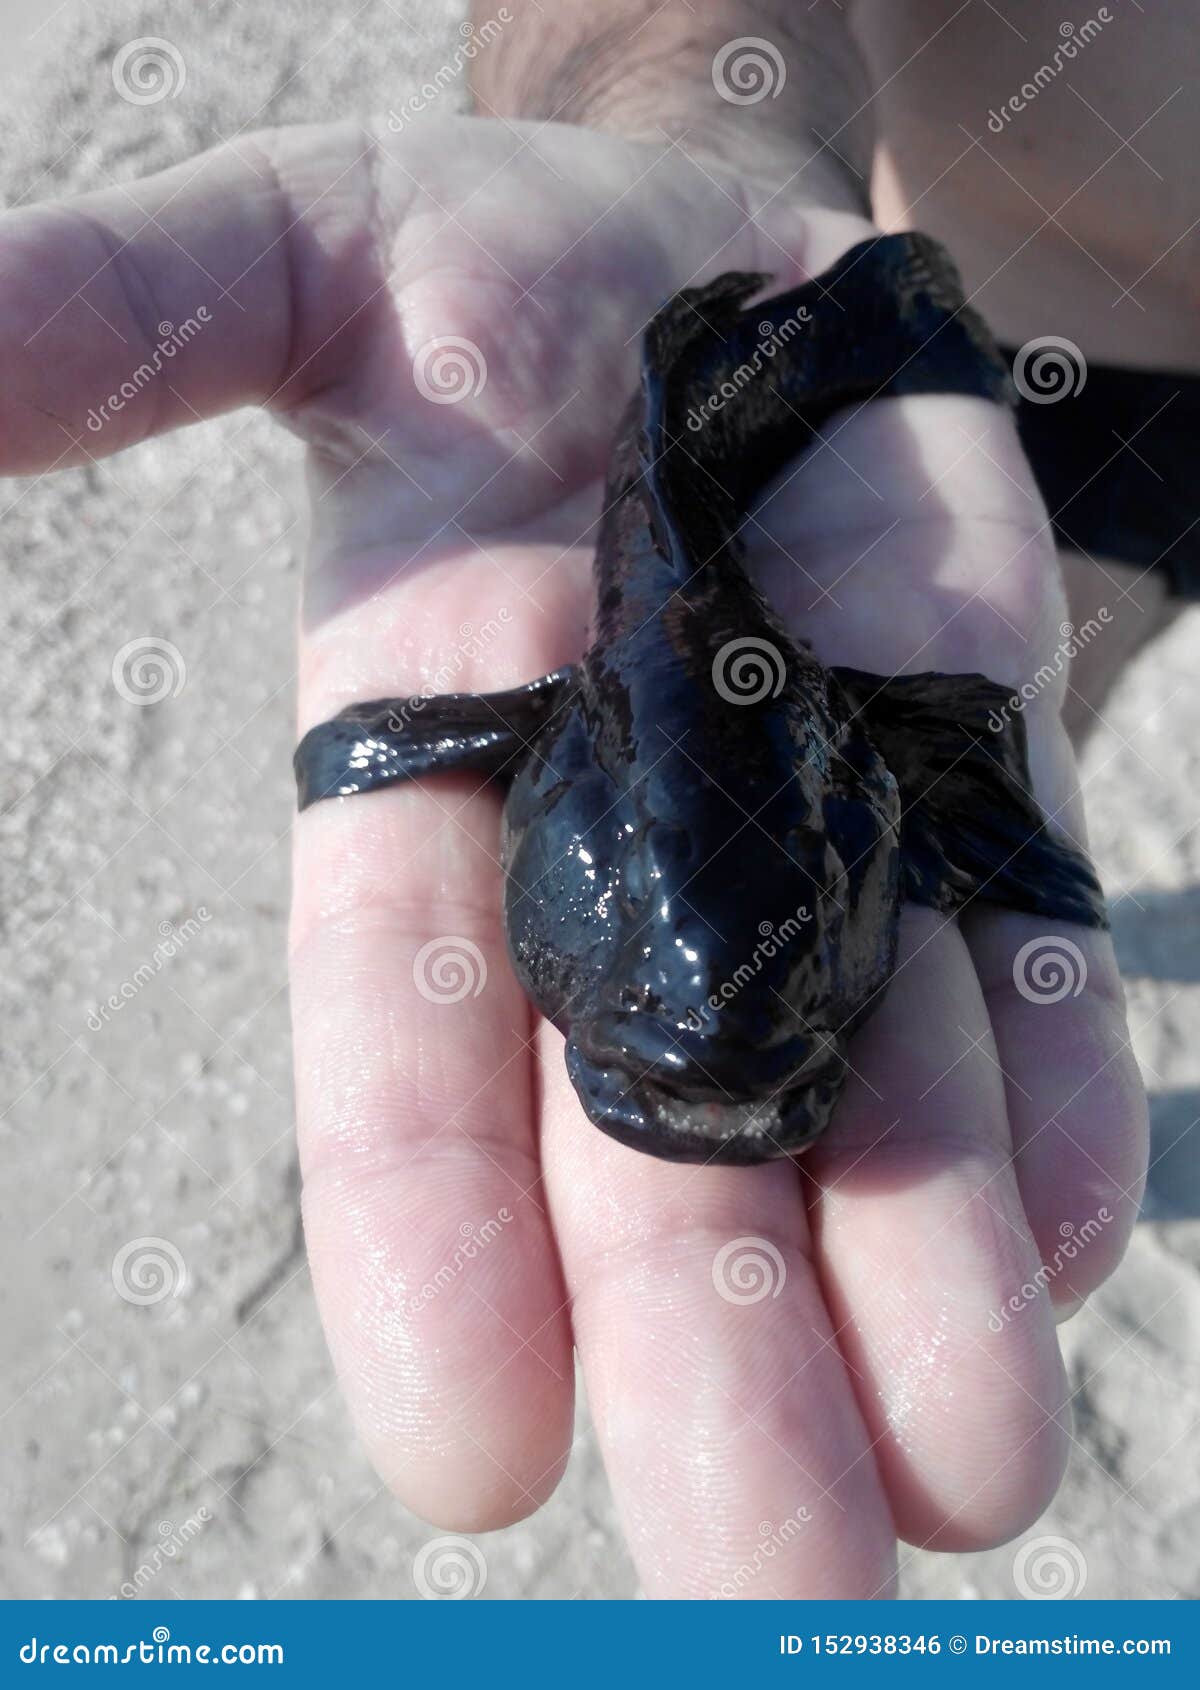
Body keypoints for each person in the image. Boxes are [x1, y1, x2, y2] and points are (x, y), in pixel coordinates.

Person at [0, 0, 1161, 1598]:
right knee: (1037, 727)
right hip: (1026, 379)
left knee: (1029, 755)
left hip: (1021, 365)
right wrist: (697, 124)